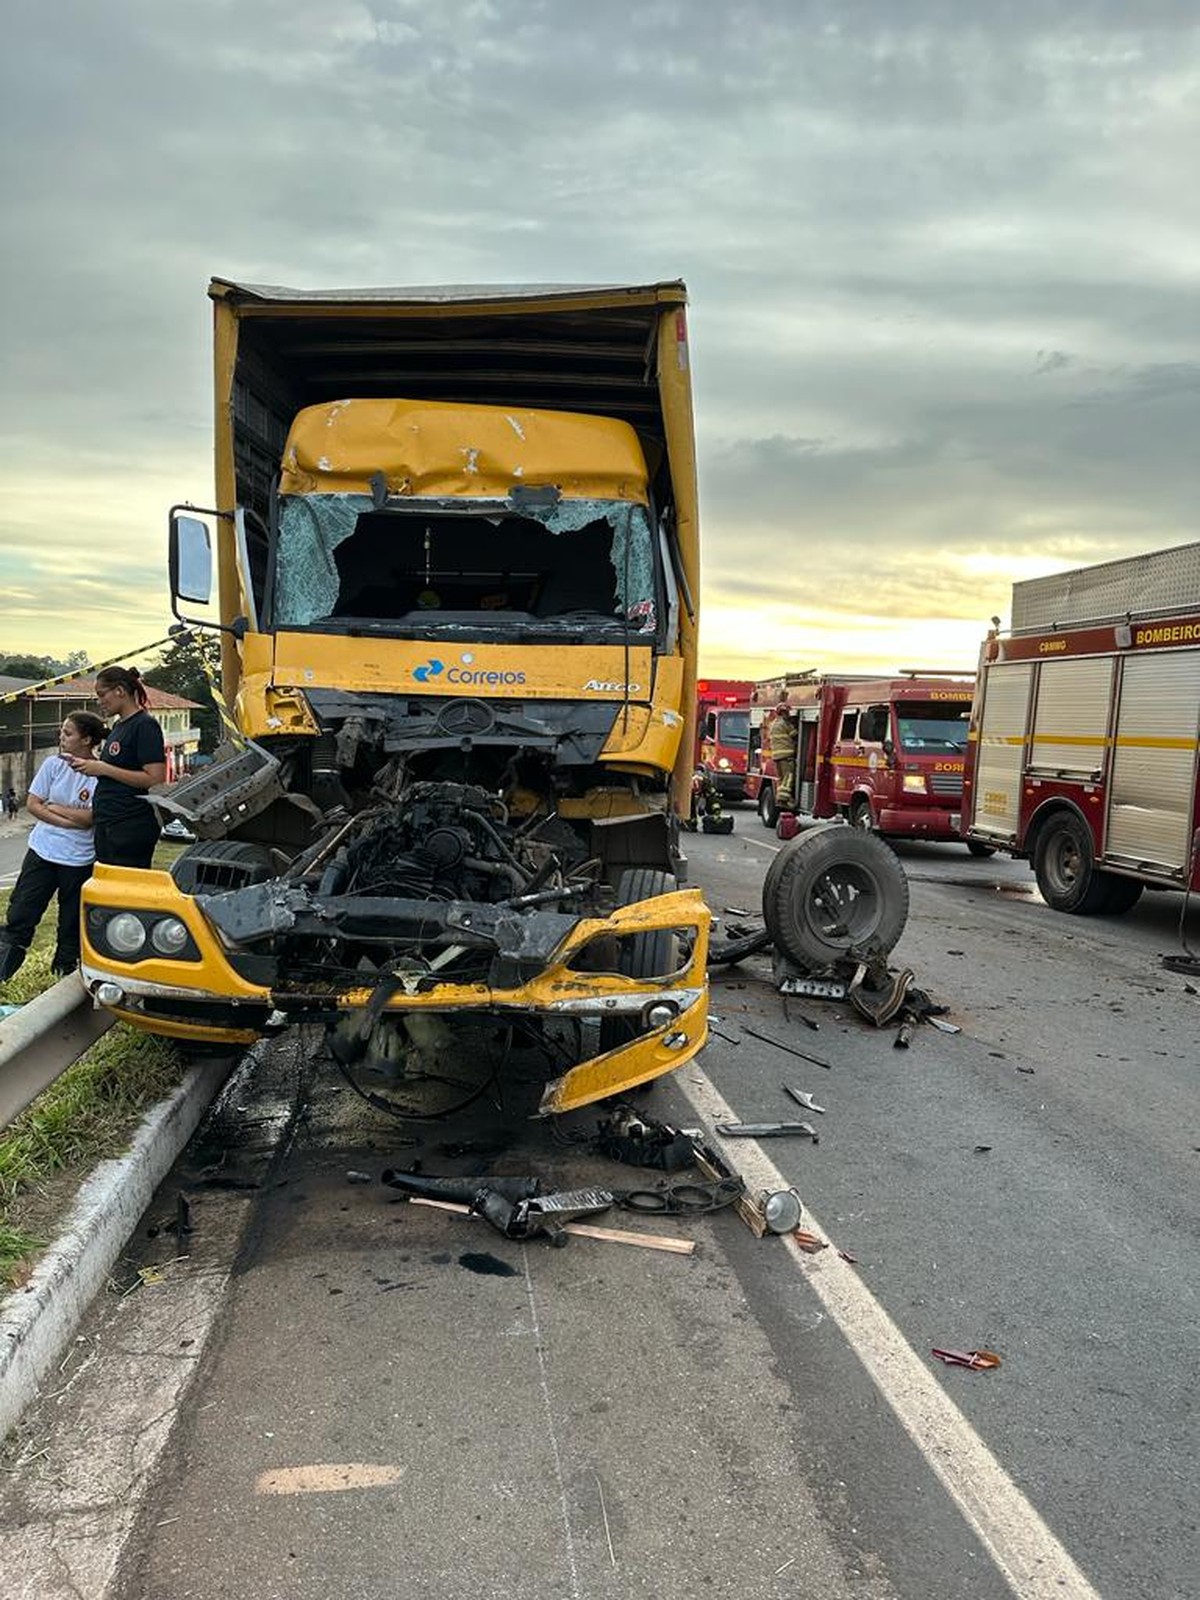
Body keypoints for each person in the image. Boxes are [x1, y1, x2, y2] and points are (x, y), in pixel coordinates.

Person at [0, 713, 107, 981]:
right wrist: (70, 820)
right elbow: (34, 805)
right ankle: (3, 974)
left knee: (71, 923)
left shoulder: (99, 774)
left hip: (79, 859)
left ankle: (61, 978)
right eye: (62, 731)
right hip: (42, 852)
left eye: (68, 733)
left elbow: (89, 819)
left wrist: (56, 808)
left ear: (86, 740)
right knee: (20, 914)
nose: (61, 737)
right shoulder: (53, 765)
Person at [65, 666, 167, 868]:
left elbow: (155, 778)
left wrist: (103, 769)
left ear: (120, 691)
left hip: (129, 824)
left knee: (124, 883)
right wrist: (90, 765)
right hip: (108, 822)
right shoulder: (119, 726)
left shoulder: (144, 725)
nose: (99, 701)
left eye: (102, 694)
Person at [767, 701, 798, 808]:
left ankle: (780, 798)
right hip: (786, 756)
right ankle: (783, 800)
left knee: (781, 779)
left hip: (777, 756)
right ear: (783, 713)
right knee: (789, 777)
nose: (788, 714)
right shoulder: (785, 724)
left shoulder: (773, 724)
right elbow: (795, 735)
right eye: (787, 712)